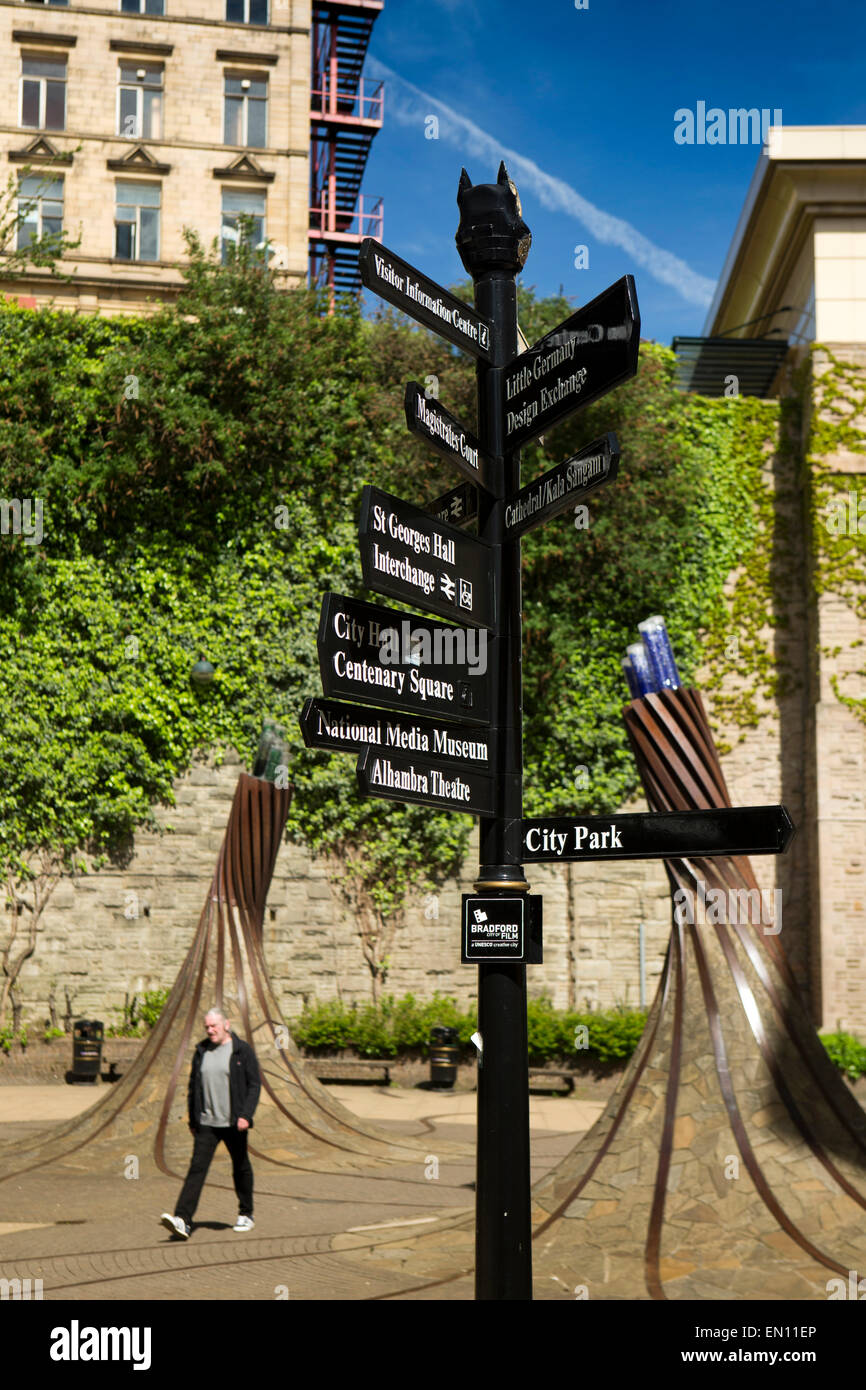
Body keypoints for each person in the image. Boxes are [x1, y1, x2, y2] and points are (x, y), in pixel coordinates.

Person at [160, 1007, 260, 1239]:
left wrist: (246, 1114)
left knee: (240, 1166)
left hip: (234, 1122)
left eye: (214, 1026)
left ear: (226, 1024)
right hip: (207, 1123)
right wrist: (193, 1119)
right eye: (206, 1026)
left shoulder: (241, 1051)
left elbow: (254, 1085)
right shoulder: (202, 1050)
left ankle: (246, 1213)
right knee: (197, 1169)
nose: (210, 1030)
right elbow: (193, 1086)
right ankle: (183, 1220)